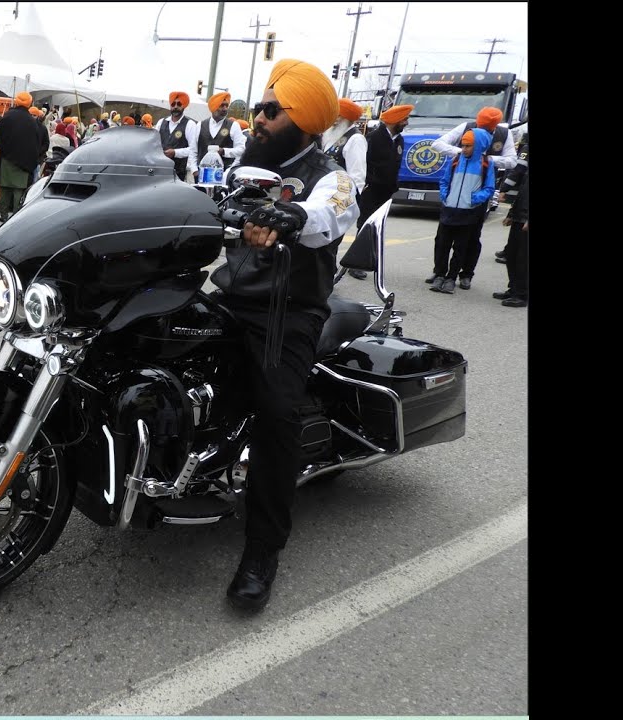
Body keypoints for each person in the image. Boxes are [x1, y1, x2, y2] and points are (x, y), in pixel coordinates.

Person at [210, 59, 358, 612]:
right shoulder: (245, 165)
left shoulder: (330, 175)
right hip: (233, 297)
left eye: (271, 111)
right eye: (259, 109)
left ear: (306, 119)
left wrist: (289, 217)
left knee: (277, 410)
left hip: (287, 313)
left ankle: (262, 550)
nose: (258, 120)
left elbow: (330, 214)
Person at [431, 107, 517, 286]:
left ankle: (466, 273)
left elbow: (511, 160)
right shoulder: (465, 129)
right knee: (442, 239)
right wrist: (462, 153)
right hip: (454, 198)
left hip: (476, 195)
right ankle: (439, 272)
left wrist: (487, 159)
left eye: (487, 127)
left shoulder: (503, 133)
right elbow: (437, 144)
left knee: (471, 238)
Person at [427, 129, 496, 294]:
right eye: (463, 145)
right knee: (442, 245)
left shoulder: (486, 163)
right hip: (449, 210)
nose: (464, 149)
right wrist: (445, 196)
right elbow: (444, 181)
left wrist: (473, 199)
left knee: (460, 248)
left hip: (468, 212)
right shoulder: (456, 160)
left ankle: (451, 278)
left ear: (478, 146)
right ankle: (439, 275)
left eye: (468, 146)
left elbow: (489, 187)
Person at [322, 98, 370, 278]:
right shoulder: (332, 136)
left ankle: (325, 282)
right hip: (324, 197)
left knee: (330, 246)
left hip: (338, 202)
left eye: (337, 115)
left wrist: (343, 205)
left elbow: (357, 177)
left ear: (347, 118)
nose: (333, 119)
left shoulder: (355, 139)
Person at [359, 103, 412, 251]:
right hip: (371, 190)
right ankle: (357, 261)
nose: (407, 123)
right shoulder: (374, 138)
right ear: (395, 120)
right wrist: (368, 183)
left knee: (378, 226)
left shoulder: (399, 140)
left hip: (386, 192)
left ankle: (371, 257)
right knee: (366, 224)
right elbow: (364, 163)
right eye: (404, 119)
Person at [0, 91, 42, 222]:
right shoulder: (31, 121)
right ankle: (14, 218)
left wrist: (4, 150)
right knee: (18, 190)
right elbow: (36, 143)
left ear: (17, 101)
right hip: (24, 161)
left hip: (7, 159)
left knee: (5, 188)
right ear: (29, 103)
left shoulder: (8, 116)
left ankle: (3, 216)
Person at [492, 148, 528, 307]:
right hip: (520, 213)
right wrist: (512, 214)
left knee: (523, 258)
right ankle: (513, 290)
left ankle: (521, 294)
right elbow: (523, 191)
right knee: (512, 255)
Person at [196, 91, 247, 172]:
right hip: (202, 173)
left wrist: (224, 151)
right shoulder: (200, 125)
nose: (225, 109)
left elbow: (241, 149)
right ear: (213, 107)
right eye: (222, 106)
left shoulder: (234, 125)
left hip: (223, 173)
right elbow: (193, 150)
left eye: (227, 106)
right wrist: (194, 170)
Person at [157, 91, 199, 182]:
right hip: (160, 171)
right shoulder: (161, 122)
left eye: (179, 104)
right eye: (173, 104)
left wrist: (175, 152)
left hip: (180, 173)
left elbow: (193, 149)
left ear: (183, 106)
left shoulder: (190, 124)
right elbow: (153, 143)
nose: (175, 106)